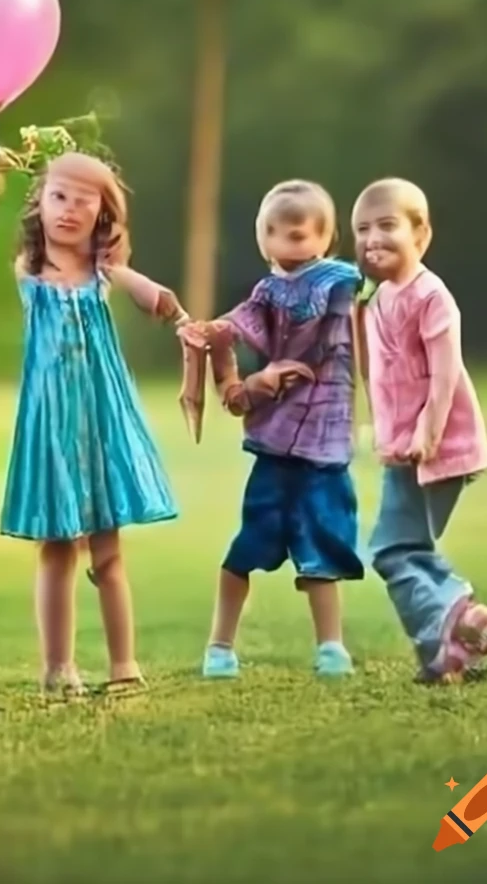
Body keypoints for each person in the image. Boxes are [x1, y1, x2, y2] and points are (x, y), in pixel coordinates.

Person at [0, 143, 186, 696]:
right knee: (57, 550)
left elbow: (157, 299)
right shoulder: (29, 271)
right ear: (39, 205)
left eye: (85, 202)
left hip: (101, 423)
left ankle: (122, 664)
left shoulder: (105, 275)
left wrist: (172, 313)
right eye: (59, 196)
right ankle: (59, 667)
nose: (69, 211)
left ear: (103, 215)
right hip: (52, 425)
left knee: (108, 551)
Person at [180, 180, 364, 679]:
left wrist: (275, 371)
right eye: (274, 233)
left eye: (298, 234)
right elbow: (237, 325)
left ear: (324, 238)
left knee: (322, 551)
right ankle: (220, 646)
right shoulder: (268, 290)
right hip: (276, 444)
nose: (285, 244)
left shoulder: (339, 282)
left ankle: (331, 647)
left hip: (323, 447)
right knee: (246, 547)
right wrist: (212, 338)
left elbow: (328, 335)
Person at [352, 177, 487, 682]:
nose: (372, 238)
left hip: (437, 449)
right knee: (404, 550)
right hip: (402, 450)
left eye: (386, 225)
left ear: (421, 235)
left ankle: (463, 619)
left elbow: (445, 373)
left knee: (392, 550)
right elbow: (374, 374)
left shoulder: (431, 296)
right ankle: (447, 654)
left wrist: (427, 432)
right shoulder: (378, 301)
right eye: (361, 230)